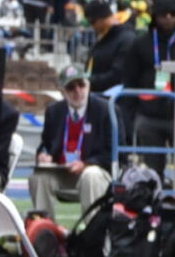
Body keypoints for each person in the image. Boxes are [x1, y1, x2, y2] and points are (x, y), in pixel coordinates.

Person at [30, 70, 114, 218]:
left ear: (88, 86)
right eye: (71, 87)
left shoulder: (106, 110)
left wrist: (86, 163)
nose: (77, 91)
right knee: (38, 177)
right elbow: (46, 144)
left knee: (91, 176)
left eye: (81, 85)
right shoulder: (54, 111)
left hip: (95, 172)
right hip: (62, 172)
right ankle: (45, 232)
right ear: (62, 91)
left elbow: (115, 151)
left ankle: (92, 233)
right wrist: (44, 154)